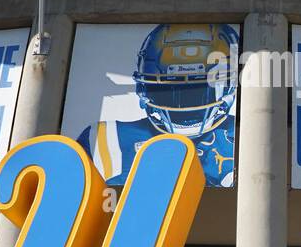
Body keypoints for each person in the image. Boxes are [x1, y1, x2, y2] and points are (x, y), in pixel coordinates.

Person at [78, 24, 238, 187]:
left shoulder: (247, 138)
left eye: (196, 92)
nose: (181, 104)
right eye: (166, 90)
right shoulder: (107, 139)